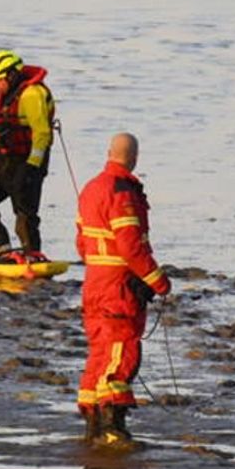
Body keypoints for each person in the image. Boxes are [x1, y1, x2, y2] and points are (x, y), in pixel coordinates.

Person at [75, 132, 171, 447]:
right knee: (121, 351)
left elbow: (82, 242)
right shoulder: (122, 192)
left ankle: (92, 425)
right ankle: (112, 427)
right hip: (118, 285)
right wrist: (158, 281)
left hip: (94, 281)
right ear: (134, 158)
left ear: (109, 152)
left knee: (100, 352)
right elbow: (131, 246)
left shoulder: (91, 188)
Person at [0, 48, 56, 262]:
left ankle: (32, 256)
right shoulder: (1, 95)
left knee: (25, 214)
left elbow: (42, 134)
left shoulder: (32, 94)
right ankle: (4, 251)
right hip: (3, 159)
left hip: (27, 161)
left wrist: (32, 166)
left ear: (12, 74)